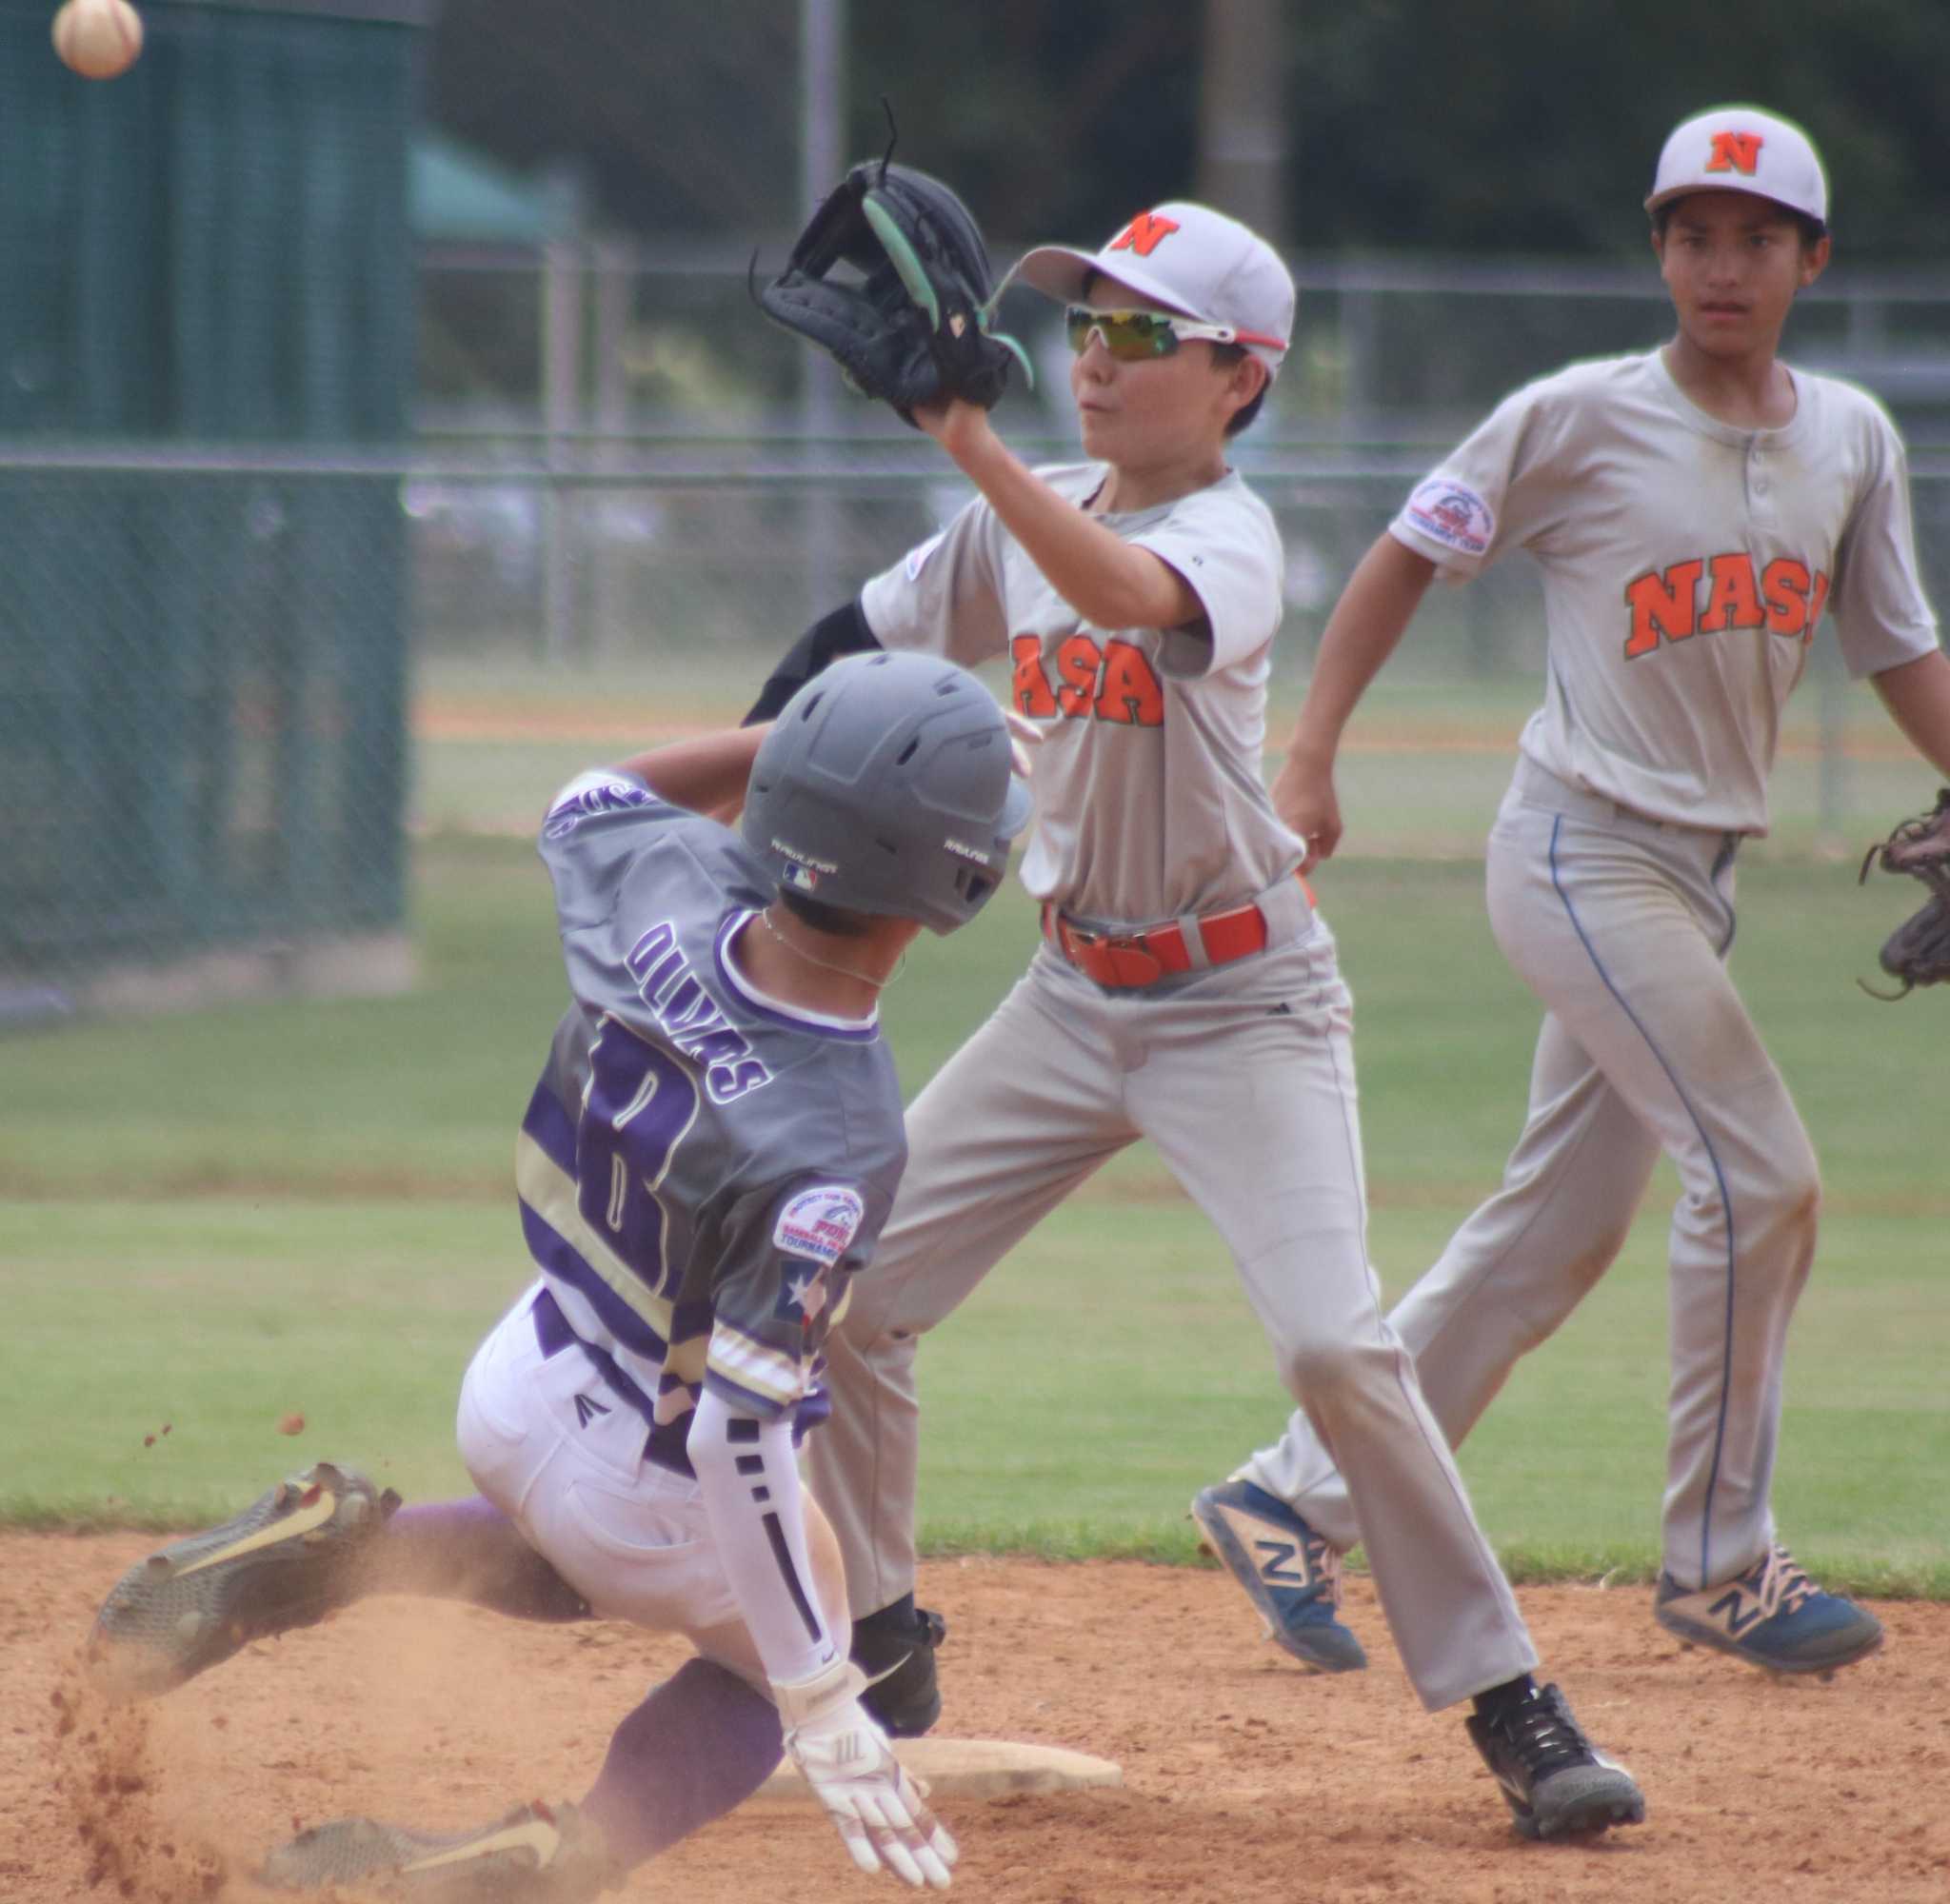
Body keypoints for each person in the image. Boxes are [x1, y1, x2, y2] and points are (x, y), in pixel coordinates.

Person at [745, 201, 1645, 1842]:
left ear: (1242, 379)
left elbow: (1116, 591)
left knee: (1333, 1348)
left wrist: (963, 438)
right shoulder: (1025, 516)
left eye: (1146, 332)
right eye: (1088, 324)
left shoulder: (1234, 535)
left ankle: (1512, 1698)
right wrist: (720, 801)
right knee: (851, 1293)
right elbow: (845, 650)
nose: (1098, 357)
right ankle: (882, 1634)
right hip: (1067, 995)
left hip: (1244, 1004)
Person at [1198, 105, 1950, 1684]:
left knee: (1551, 1236)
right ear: (1660, 252)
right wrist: (1310, 755)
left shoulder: (1850, 441)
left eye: (1756, 238)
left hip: (1697, 879)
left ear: (1813, 260)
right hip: (1577, 849)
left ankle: (1289, 1498)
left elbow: (1897, 648)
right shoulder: (1578, 417)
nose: (1721, 265)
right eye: (1692, 234)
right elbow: (1405, 553)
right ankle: (1721, 1564)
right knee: (1761, 1180)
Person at [89, 649, 1034, 1900]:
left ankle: (334, 1555)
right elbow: (739, 1440)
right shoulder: (838, 1134)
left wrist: (812, 752)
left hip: (517, 1382)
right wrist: (819, 1696)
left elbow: (596, 794)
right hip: (649, 1479)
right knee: (772, 1656)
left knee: (589, 1555)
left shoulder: (665, 882)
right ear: (957, 884)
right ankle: (560, 1862)